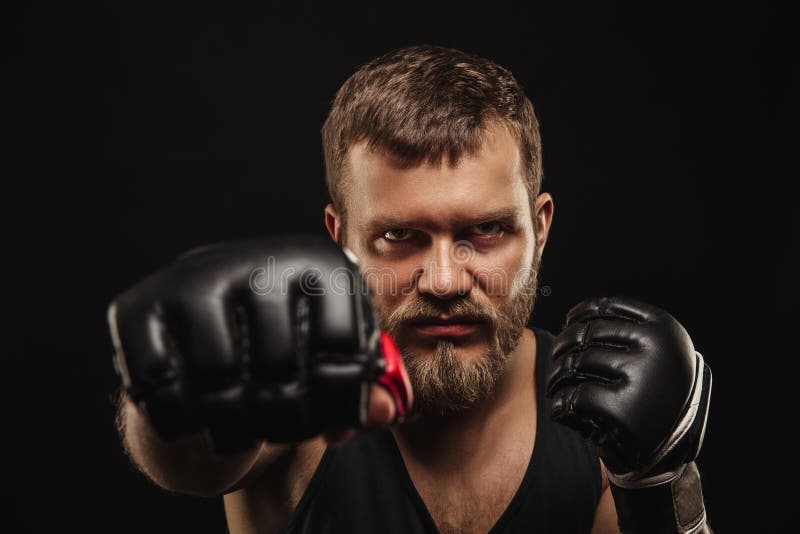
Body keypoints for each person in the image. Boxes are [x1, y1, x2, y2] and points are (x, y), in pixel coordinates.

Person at [110, 45, 712, 533]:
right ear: (340, 238)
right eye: (399, 235)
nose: (445, 282)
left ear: (541, 229)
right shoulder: (301, 390)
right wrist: (181, 388)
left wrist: (663, 483)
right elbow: (190, 458)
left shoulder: (597, 410)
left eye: (486, 230)